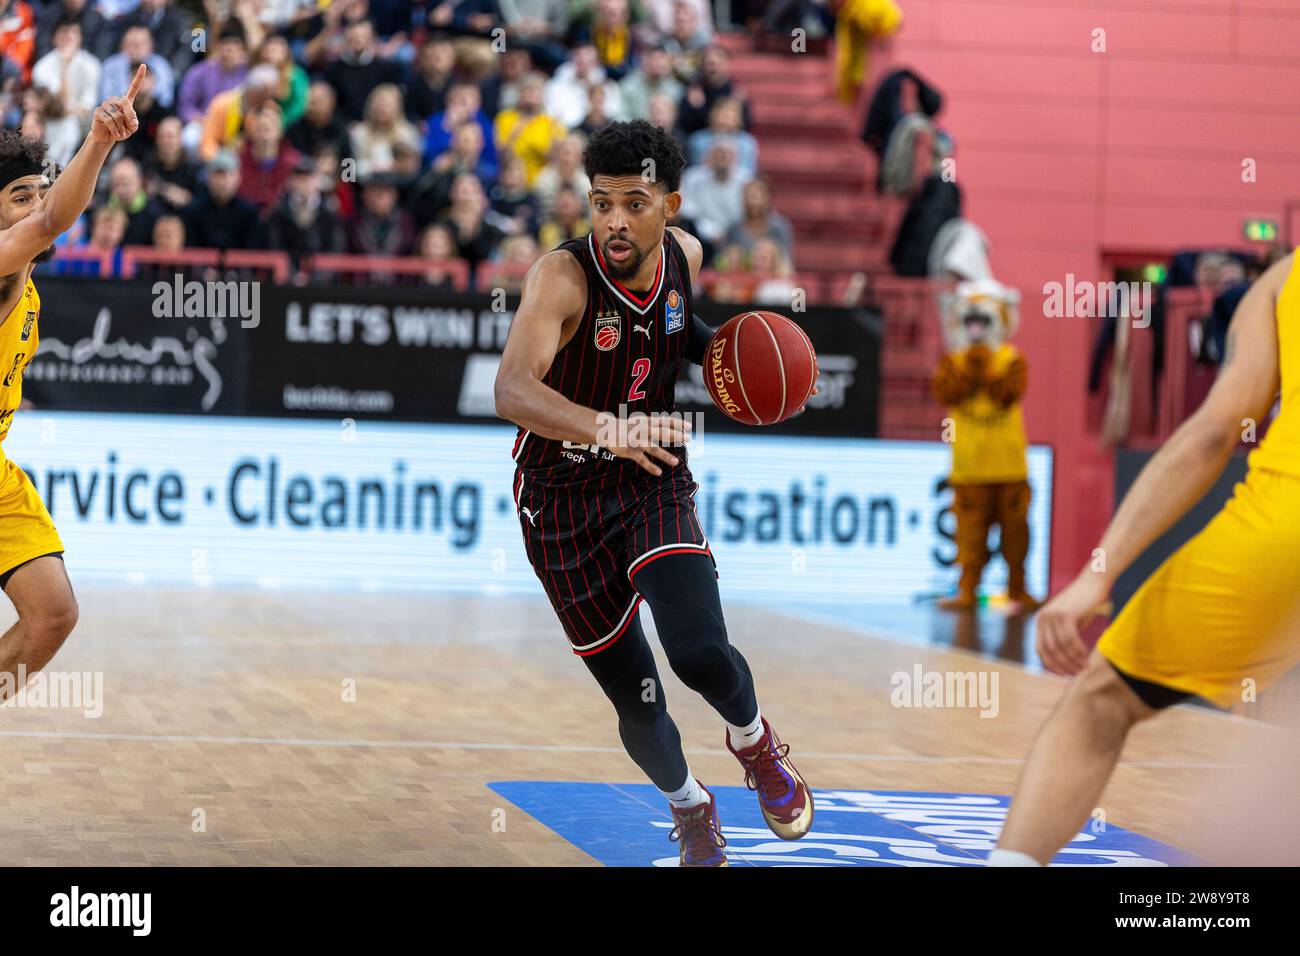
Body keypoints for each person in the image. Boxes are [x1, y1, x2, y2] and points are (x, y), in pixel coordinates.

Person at [493, 119, 815, 867]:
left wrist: (744, 360)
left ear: (668, 205)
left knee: (699, 651)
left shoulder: (686, 257)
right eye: (601, 202)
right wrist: (608, 428)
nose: (612, 220)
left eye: (633, 203)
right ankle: (690, 808)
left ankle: (756, 743)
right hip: (559, 500)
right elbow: (513, 389)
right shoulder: (561, 277)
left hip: (651, 476)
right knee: (636, 697)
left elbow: (676, 329)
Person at [990, 251, 1300, 867]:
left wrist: (1095, 576)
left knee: (1100, 701)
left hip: (1282, 532)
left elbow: (1215, 431)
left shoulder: (1284, 279)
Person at [0, 65, 145, 703]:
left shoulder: (25, 280)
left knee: (53, 612)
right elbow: (55, 221)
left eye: (38, 189)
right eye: (20, 195)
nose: (36, 203)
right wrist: (100, 141)